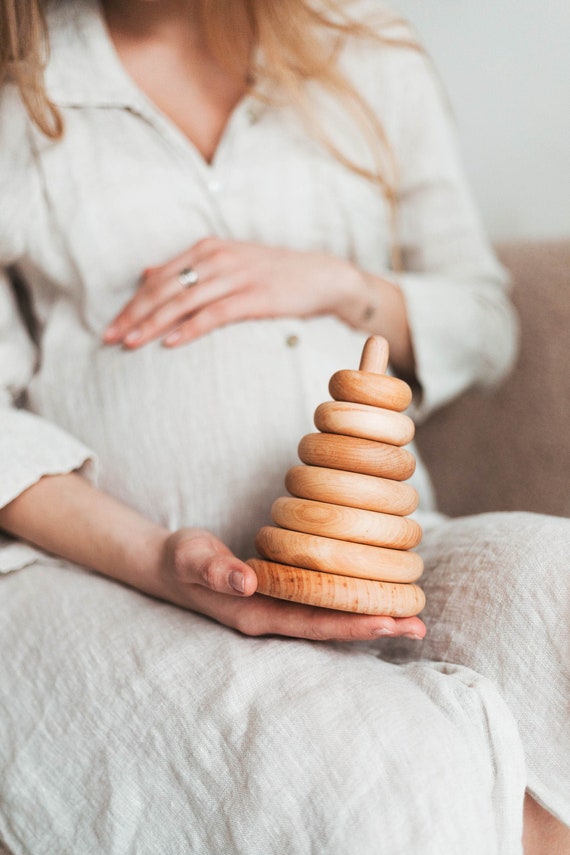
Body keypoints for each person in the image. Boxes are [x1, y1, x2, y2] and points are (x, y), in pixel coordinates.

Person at [0, 0, 568, 852]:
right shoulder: (20, 93)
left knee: (552, 584)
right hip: (103, 572)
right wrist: (159, 558)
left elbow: (486, 322)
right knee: (377, 759)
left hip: (383, 544)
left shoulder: (366, 53)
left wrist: (341, 283)